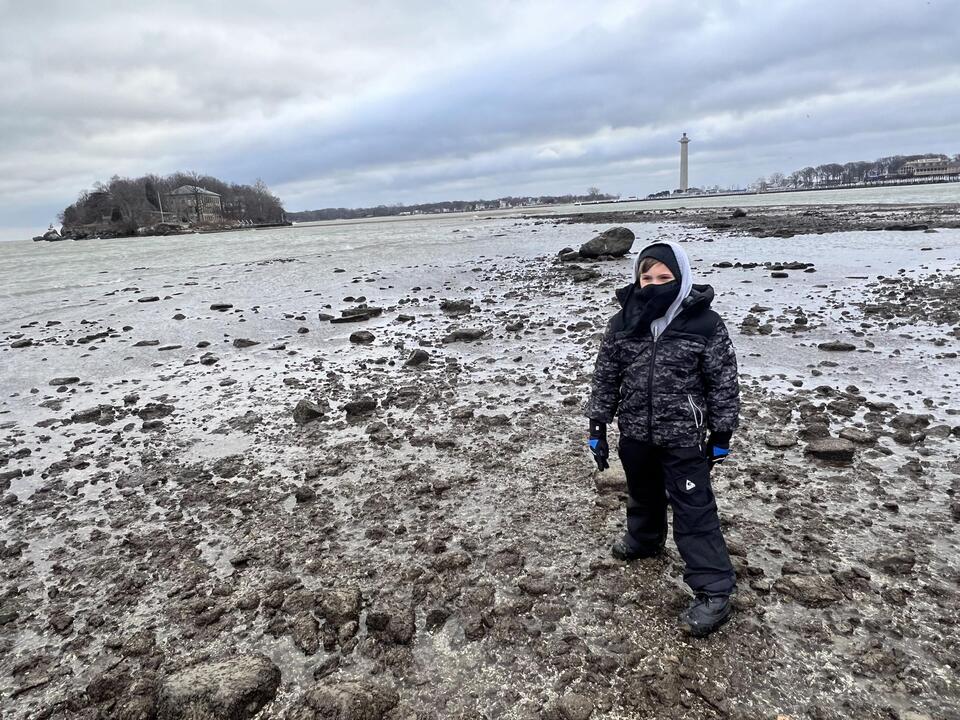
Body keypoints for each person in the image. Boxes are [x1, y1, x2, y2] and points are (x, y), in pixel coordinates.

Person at [584, 239, 740, 637]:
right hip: (635, 431)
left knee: (694, 510)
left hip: (683, 437)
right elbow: (606, 377)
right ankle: (644, 539)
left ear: (682, 278)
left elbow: (722, 382)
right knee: (642, 492)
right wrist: (598, 426)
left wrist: (721, 433)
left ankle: (714, 591)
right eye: (646, 276)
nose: (653, 284)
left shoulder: (705, 324)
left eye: (664, 277)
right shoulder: (623, 323)